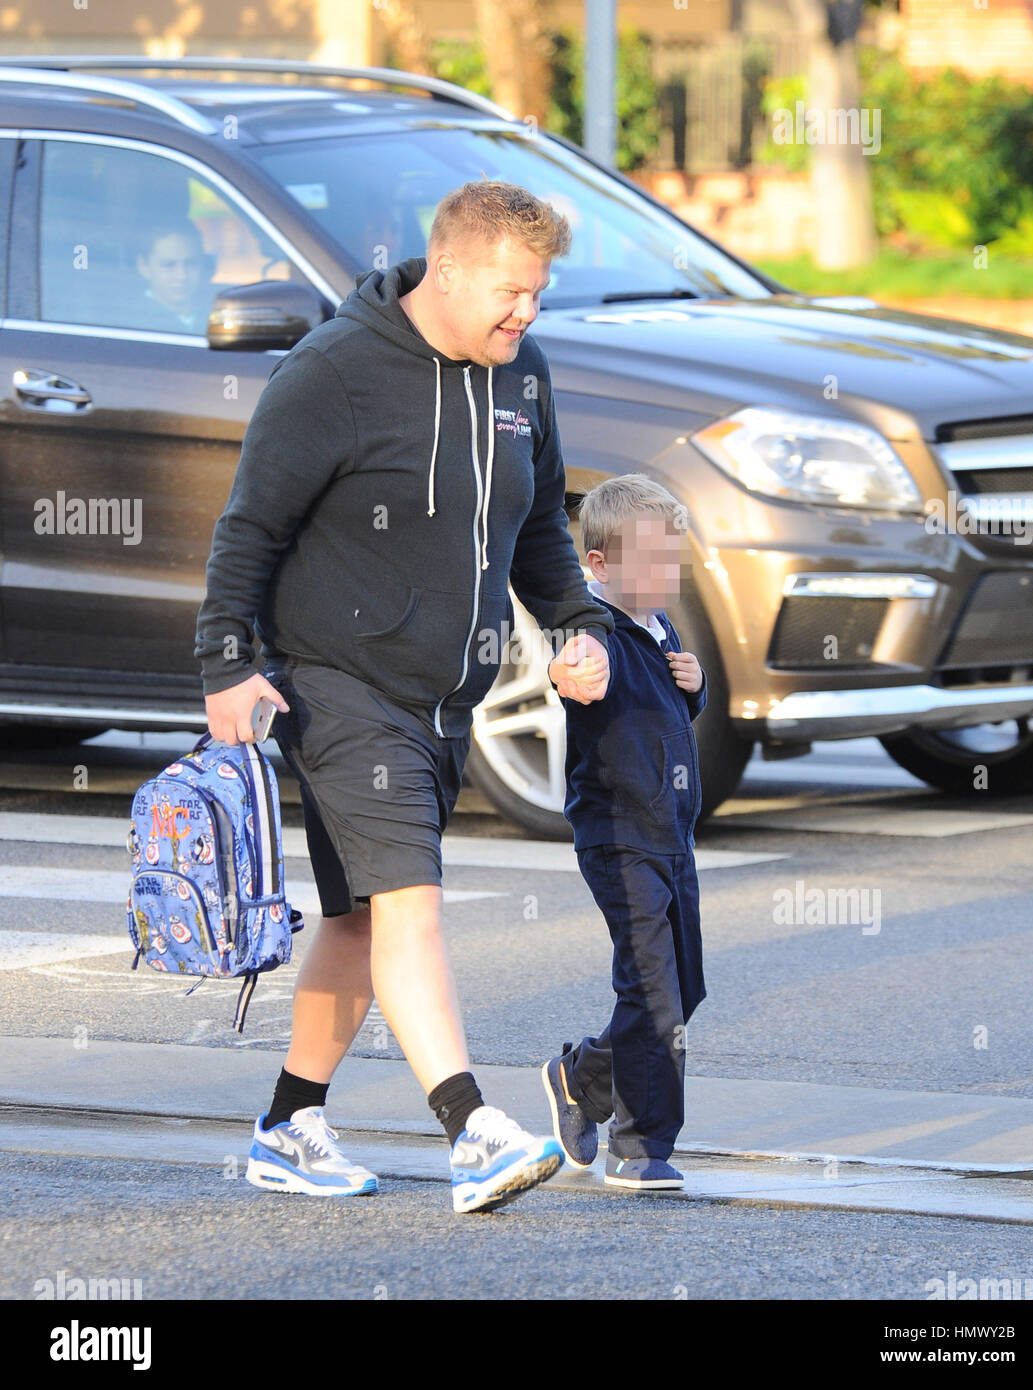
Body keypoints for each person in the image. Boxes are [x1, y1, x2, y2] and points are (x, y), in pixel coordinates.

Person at [194, 180, 614, 1213]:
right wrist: (224, 663)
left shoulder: (522, 375)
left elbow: (541, 529)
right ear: (451, 269)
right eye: (512, 293)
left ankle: (289, 1125)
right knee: (411, 900)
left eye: (539, 296)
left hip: (444, 697)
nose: (526, 314)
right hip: (335, 683)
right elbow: (247, 530)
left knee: (355, 917)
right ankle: (472, 1128)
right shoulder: (334, 371)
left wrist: (581, 625)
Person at [541, 474, 708, 1190]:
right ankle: (641, 1147)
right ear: (600, 566)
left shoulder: (660, 627)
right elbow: (566, 668)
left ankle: (583, 1075)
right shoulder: (595, 631)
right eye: (647, 560)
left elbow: (662, 723)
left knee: (684, 990)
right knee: (651, 988)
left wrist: (693, 689)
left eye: (670, 559)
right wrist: (564, 665)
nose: (662, 574)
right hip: (618, 835)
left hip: (672, 834)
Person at [135, 220, 215, 332]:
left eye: (191, 263)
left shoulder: (217, 312)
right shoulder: (133, 323)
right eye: (169, 265)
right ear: (144, 266)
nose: (182, 276)